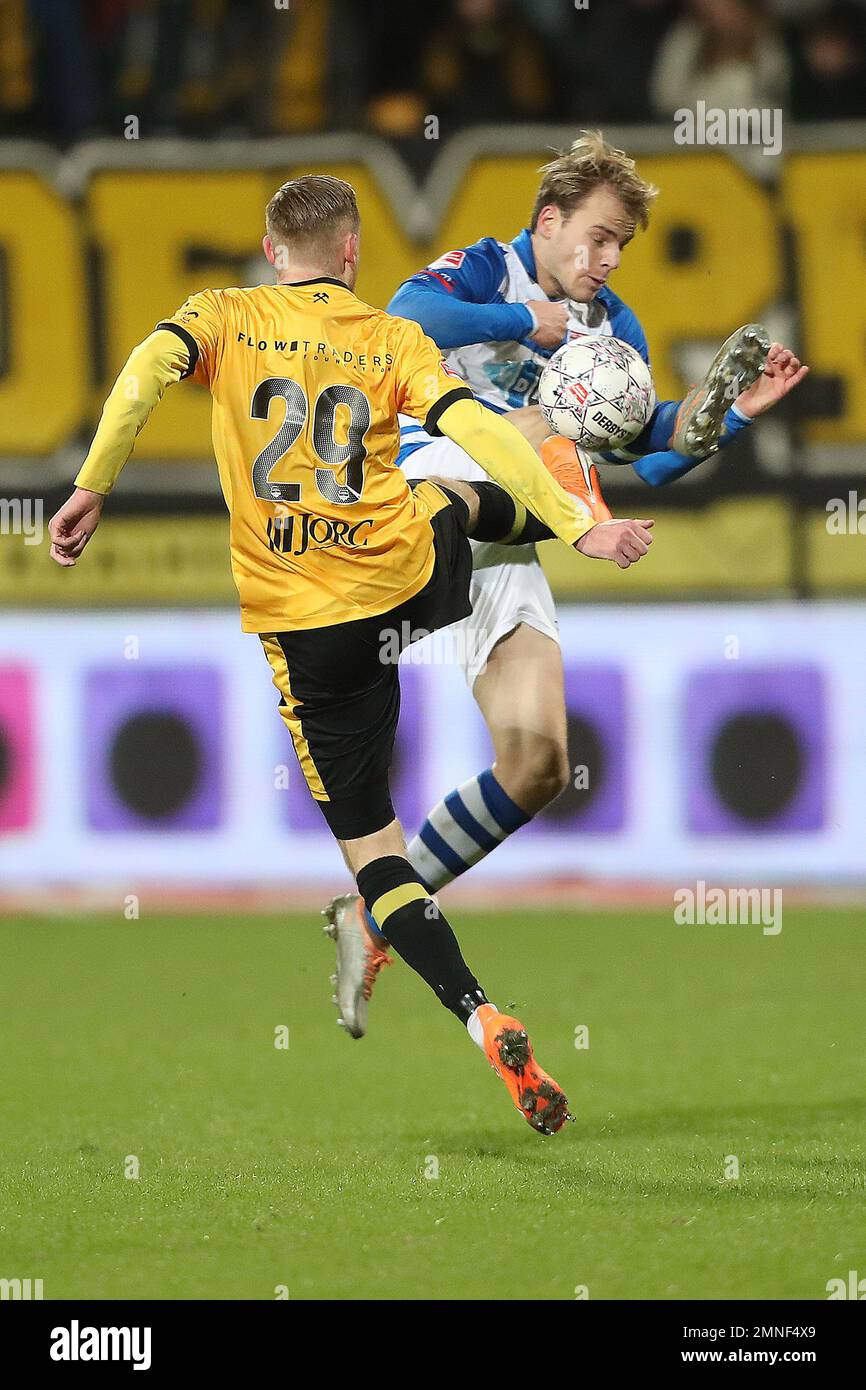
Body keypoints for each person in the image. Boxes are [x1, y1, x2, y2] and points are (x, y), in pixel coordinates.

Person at [47, 173, 655, 1136]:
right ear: (352, 252)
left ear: (269, 248)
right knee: (451, 494)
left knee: (377, 858)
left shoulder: (220, 315)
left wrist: (92, 486)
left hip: (306, 632)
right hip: (405, 577)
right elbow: (475, 429)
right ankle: (566, 521)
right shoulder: (389, 337)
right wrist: (577, 523)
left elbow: (144, 371)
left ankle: (479, 1014)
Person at [324, 132, 807, 1040]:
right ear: (548, 222)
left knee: (538, 765)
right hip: (421, 482)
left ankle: (375, 912)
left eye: (622, 243)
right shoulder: (487, 268)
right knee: (545, 428)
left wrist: (729, 416)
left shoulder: (614, 332)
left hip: (507, 525)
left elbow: (649, 453)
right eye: (599, 236)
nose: (609, 258)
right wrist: (522, 322)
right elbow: (403, 316)